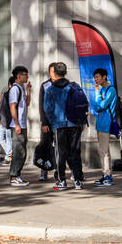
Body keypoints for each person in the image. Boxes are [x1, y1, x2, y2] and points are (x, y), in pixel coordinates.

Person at [42, 62, 86, 190]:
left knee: (60, 153)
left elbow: (47, 109)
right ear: (65, 72)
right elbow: (84, 104)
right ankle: (78, 180)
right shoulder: (74, 86)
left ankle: (62, 181)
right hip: (75, 124)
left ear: (54, 73)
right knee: (75, 152)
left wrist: (53, 121)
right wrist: (81, 122)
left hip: (59, 125)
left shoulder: (50, 89)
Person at [91, 68, 118, 187]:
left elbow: (100, 106)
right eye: (95, 77)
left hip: (106, 123)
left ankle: (107, 176)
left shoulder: (110, 90)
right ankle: (106, 175)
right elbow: (96, 106)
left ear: (104, 77)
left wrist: (97, 94)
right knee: (103, 150)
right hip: (100, 123)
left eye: (97, 77)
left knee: (104, 151)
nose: (95, 79)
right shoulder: (102, 89)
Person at [6, 67, 30, 187]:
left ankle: (17, 175)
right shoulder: (15, 89)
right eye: (25, 75)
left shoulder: (21, 88)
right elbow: (12, 106)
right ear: (18, 76)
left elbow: (27, 104)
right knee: (18, 151)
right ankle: (14, 176)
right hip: (17, 125)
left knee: (22, 151)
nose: (27, 77)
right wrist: (16, 124)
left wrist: (28, 92)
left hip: (22, 124)